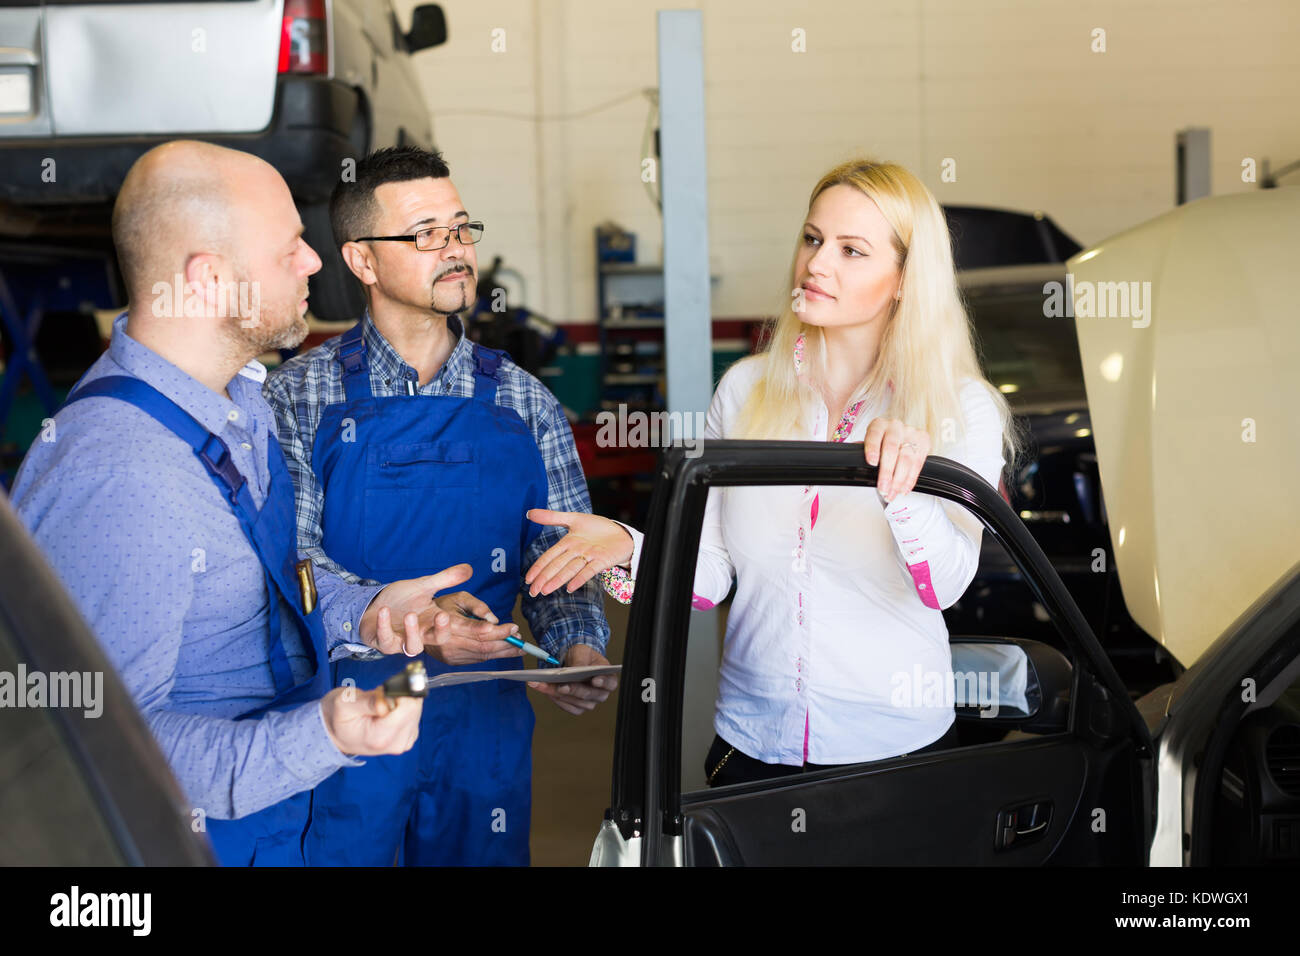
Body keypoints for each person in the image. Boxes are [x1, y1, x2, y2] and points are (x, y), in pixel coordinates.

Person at [10, 140, 488, 865]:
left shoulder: (239, 403)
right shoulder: (122, 472)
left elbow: (266, 591)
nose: (315, 263)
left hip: (276, 823)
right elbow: (100, 746)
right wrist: (323, 735)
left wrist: (371, 609)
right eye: (289, 248)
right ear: (208, 280)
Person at [524, 158, 1017, 786]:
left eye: (852, 250)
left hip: (894, 752)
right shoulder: (745, 391)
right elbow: (708, 575)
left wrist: (903, 486)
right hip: (751, 745)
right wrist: (626, 547)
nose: (816, 263)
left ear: (903, 279)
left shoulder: (956, 407)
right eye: (813, 239)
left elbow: (944, 587)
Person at [263, 146, 616, 867]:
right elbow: (293, 570)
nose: (455, 252)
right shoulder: (297, 398)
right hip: (351, 722)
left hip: (481, 730)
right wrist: (416, 623)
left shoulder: (523, 401)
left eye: (460, 229)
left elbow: (560, 561)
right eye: (426, 234)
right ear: (362, 261)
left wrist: (577, 645)